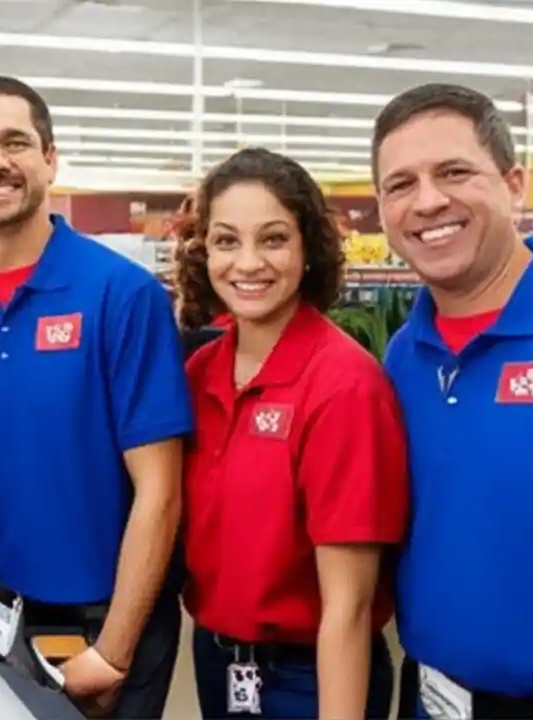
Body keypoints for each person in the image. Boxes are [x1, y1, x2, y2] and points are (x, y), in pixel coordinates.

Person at [0, 75, 190, 718]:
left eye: (15, 142)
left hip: (106, 625)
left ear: (49, 158)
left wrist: (116, 650)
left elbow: (160, 490)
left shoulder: (121, 295)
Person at [375, 83, 533, 719]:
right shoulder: (404, 353)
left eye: (454, 172)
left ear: (514, 183)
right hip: (430, 695)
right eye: (400, 184)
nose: (428, 201)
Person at [175, 147, 408, 719]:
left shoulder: (344, 385)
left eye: (273, 239)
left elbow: (348, 608)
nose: (247, 262)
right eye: (227, 241)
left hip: (310, 676)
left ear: (308, 250)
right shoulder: (201, 373)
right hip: (220, 659)